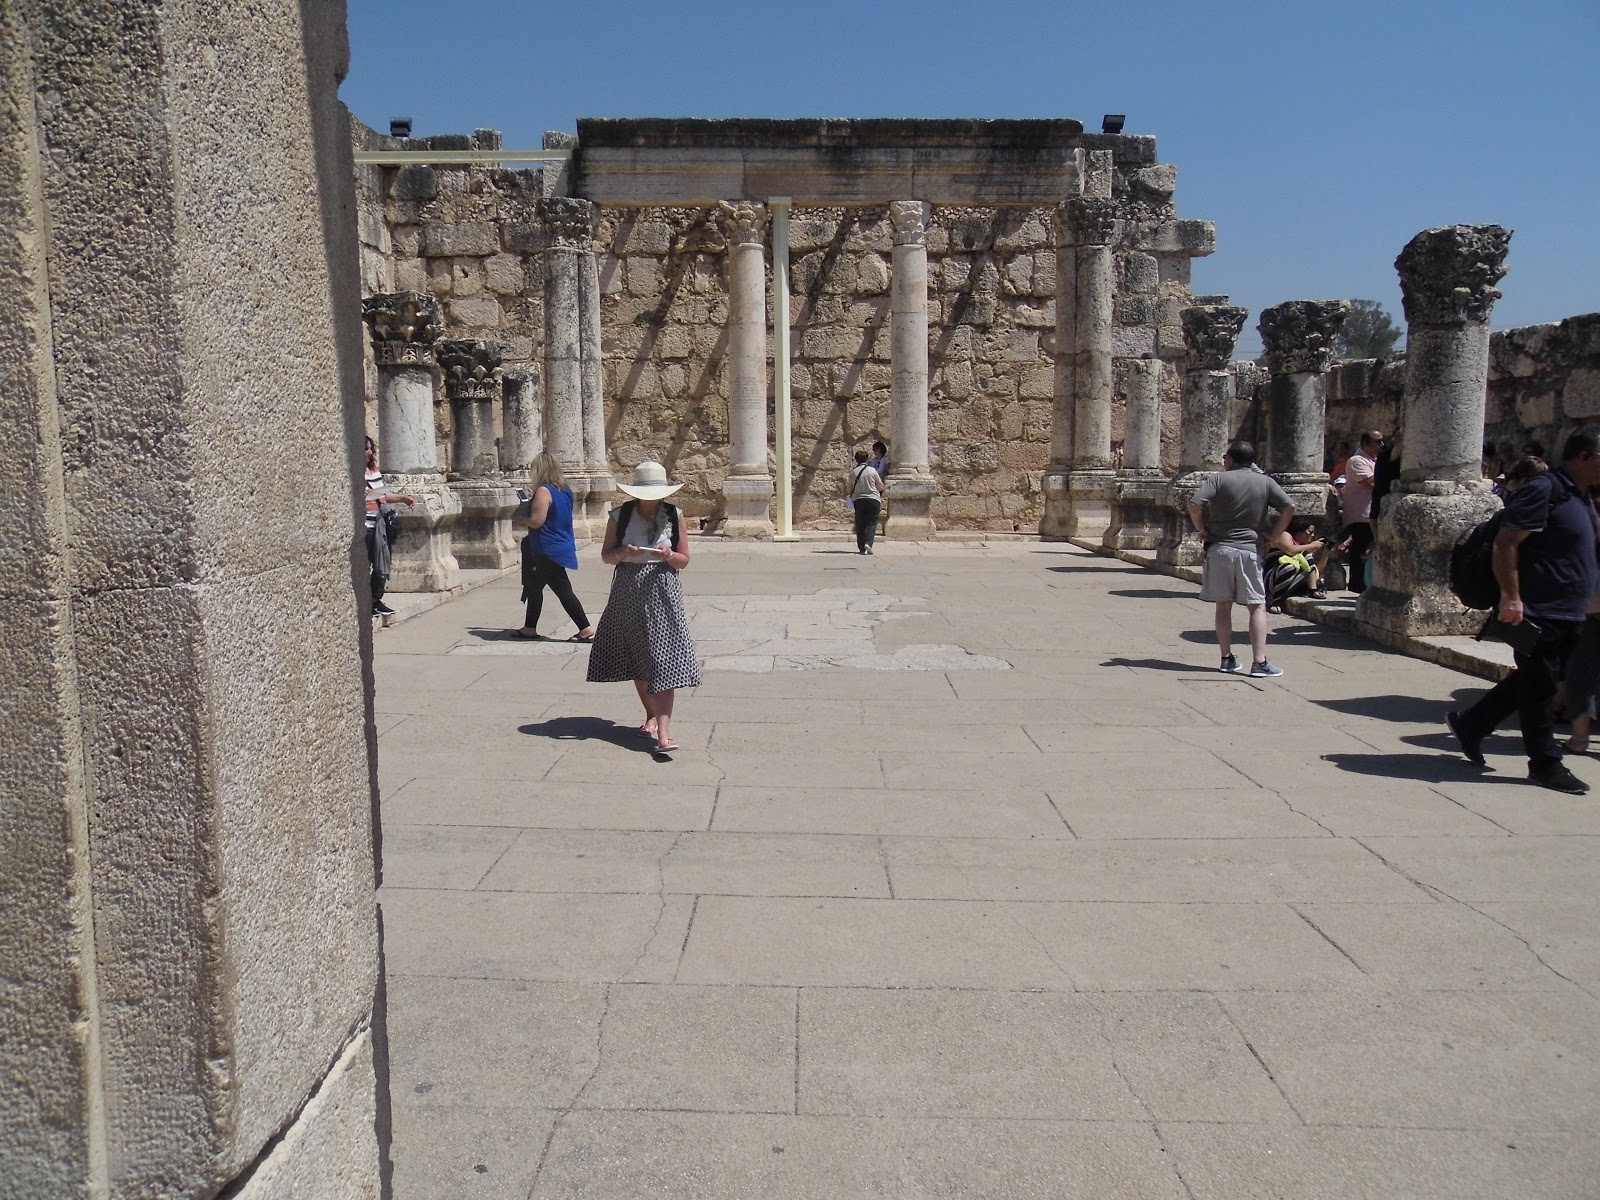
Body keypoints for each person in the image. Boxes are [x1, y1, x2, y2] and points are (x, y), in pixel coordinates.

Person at [1447, 432, 1600, 794]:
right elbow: (1505, 543)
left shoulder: (1582, 496)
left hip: (1572, 610)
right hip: (1538, 609)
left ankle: (1472, 724)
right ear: (1583, 456)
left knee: (1534, 680)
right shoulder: (1545, 490)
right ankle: (1545, 763)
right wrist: (1511, 597)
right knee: (1541, 689)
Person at [587, 461, 701, 755]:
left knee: (664, 659)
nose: (652, 499)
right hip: (629, 591)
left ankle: (664, 732)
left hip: (663, 590)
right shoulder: (620, 516)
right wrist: (624, 552)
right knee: (639, 657)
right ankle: (650, 715)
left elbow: (684, 560)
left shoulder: (674, 516)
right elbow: (606, 556)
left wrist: (669, 555)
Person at [1187, 440, 1296, 678]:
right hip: (1249, 549)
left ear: (1231, 460)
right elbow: (1289, 506)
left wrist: (1201, 528)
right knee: (1257, 606)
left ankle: (1226, 658)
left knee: (1223, 606)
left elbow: (1195, 504)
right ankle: (1259, 661)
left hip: (1220, 548)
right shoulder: (1265, 482)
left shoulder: (1218, 479)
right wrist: (1275, 535)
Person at [510, 452, 594, 642]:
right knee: (534, 586)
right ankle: (530, 627)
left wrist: (522, 519)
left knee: (563, 589)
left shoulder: (543, 491)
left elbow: (537, 521)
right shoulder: (565, 490)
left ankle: (585, 628)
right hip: (560, 543)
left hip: (547, 548)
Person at [363, 436, 413, 617]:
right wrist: (380, 493)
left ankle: (376, 599)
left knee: (382, 563)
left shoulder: (374, 471)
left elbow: (380, 495)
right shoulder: (355, 473)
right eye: (365, 449)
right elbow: (369, 494)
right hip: (366, 525)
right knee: (367, 564)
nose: (369, 452)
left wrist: (402, 498)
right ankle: (366, 602)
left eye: (370, 448)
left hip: (380, 524)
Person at [1341, 430, 1382, 594]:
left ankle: (1366, 583)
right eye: (1377, 441)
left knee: (1368, 551)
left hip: (1370, 514)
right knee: (1361, 550)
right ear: (1365, 444)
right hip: (1360, 514)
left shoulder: (1374, 461)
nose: (1381, 445)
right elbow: (1371, 482)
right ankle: (1357, 584)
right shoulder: (1357, 461)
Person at [1264, 517, 1332, 613]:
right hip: (1272, 578)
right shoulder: (1284, 535)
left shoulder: (1304, 551)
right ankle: (1276, 601)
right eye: (1310, 532)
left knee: (1306, 559)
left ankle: (1313, 590)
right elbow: (1290, 550)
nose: (1313, 535)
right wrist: (1310, 546)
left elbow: (1314, 572)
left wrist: (1325, 554)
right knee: (1289, 566)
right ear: (1299, 531)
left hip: (1292, 582)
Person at [846, 449, 886, 555]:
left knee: (860, 523)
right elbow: (880, 486)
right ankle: (869, 542)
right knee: (872, 522)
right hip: (873, 499)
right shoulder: (872, 470)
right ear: (867, 458)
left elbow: (849, 489)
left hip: (859, 500)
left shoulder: (853, 473)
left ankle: (861, 547)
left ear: (856, 459)